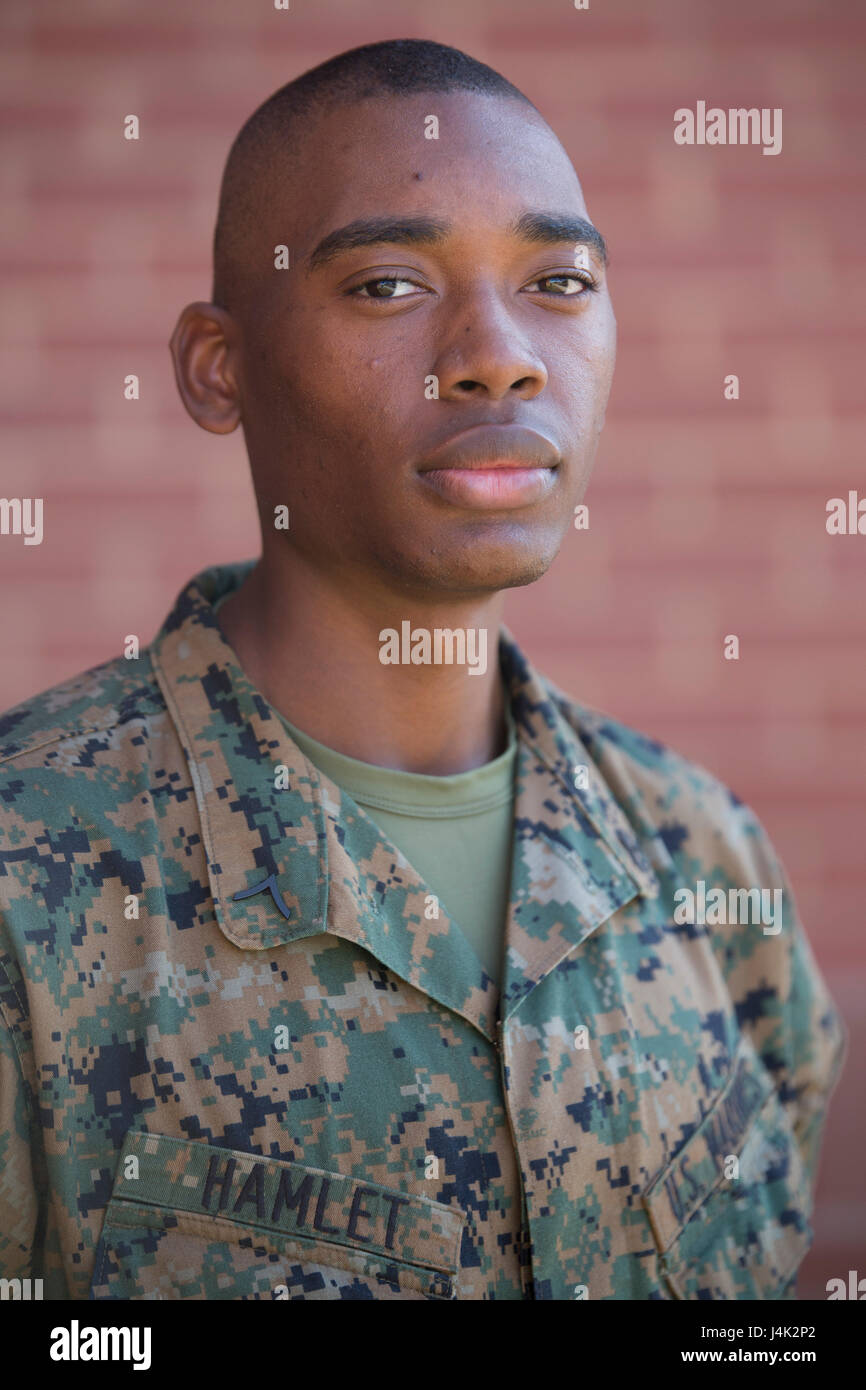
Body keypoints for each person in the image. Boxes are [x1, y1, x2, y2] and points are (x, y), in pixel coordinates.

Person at [0, 38, 845, 1301]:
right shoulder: (27, 879)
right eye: (390, 284)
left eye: (557, 280)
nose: (497, 355)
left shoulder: (700, 862)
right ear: (217, 369)